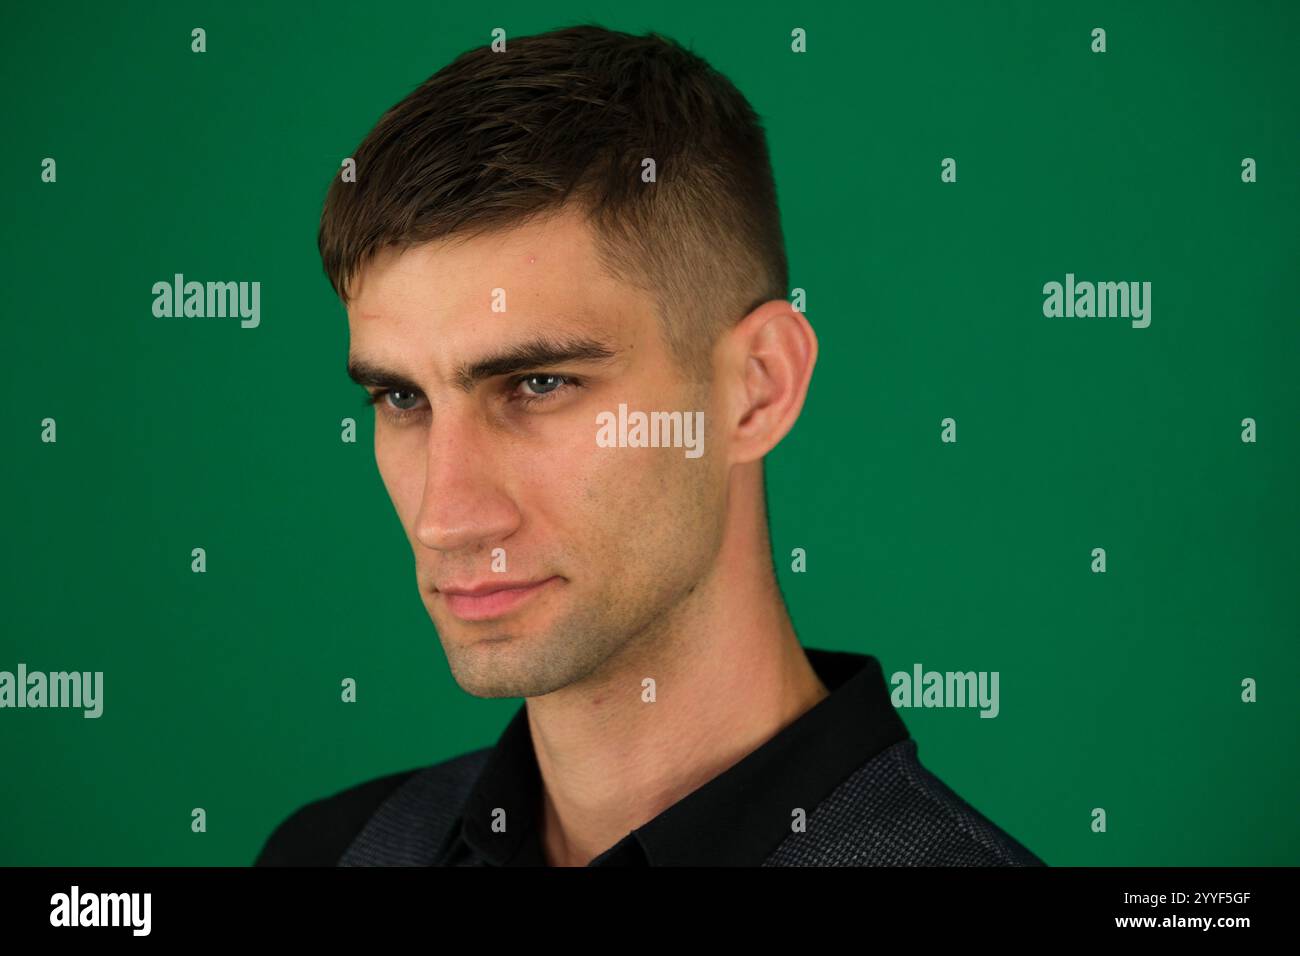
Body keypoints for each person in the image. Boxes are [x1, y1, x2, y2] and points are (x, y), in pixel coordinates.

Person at [255, 23, 1043, 867]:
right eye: (402, 398)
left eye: (539, 384)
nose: (445, 517)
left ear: (758, 387)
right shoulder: (331, 853)